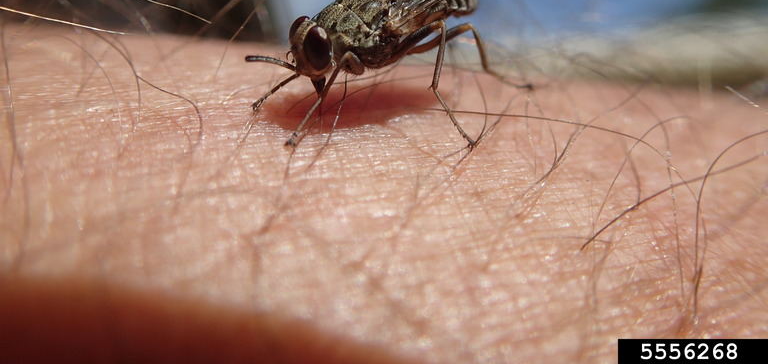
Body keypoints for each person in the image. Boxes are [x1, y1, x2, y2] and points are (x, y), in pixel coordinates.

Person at [0, 22, 765, 363]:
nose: (309, 61)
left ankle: (469, 94)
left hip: (418, 19)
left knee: (454, 33)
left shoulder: (368, 44)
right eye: (304, 51)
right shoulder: (324, 46)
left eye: (311, 55)